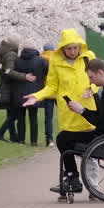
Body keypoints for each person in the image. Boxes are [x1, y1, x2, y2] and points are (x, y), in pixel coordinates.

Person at [21, 29, 96, 195]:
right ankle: (72, 177)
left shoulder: (88, 57)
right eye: (69, 49)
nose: (73, 52)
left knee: (90, 152)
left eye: (75, 48)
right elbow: (52, 86)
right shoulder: (55, 61)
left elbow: (98, 78)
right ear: (62, 48)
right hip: (68, 112)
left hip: (87, 111)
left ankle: (93, 186)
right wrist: (37, 95)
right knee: (65, 145)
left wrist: (92, 88)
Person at [58, 59, 104, 192]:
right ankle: (73, 177)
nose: (90, 81)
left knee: (63, 138)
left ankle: (73, 177)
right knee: (65, 137)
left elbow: (103, 123)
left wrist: (82, 111)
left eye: (91, 77)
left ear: (100, 72)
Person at [13, 42, 47, 146]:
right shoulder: (41, 61)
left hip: (19, 92)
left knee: (21, 118)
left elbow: (11, 73)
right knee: (33, 118)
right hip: (34, 92)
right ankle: (33, 140)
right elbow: (47, 71)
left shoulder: (17, 61)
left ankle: (21, 139)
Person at [0, 36, 24, 143]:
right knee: (13, 114)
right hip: (10, 86)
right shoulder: (11, 55)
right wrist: (24, 76)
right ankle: (0, 134)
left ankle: (12, 135)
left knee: (10, 113)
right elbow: (9, 71)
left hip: (6, 85)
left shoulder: (6, 53)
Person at [40, 43, 57, 148]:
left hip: (47, 91)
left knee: (48, 117)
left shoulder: (40, 60)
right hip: (58, 91)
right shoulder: (57, 59)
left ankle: (49, 139)